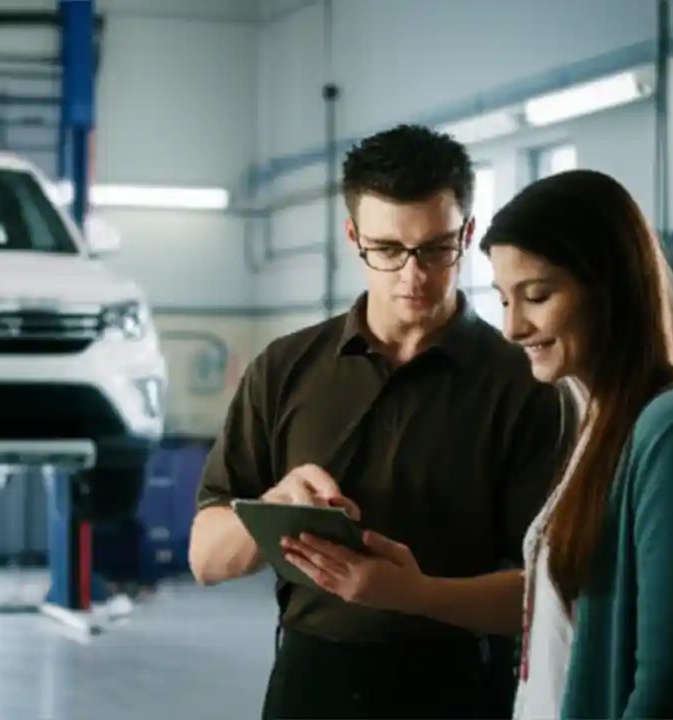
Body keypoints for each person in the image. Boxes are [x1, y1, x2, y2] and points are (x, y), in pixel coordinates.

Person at [282, 168, 673, 719]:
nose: (513, 328)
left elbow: (670, 696)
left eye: (536, 296)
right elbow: (560, 605)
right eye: (505, 300)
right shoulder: (601, 423)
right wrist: (411, 590)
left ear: (611, 287)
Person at [188, 124, 574, 719]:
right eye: (388, 251)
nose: (412, 276)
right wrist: (271, 508)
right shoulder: (285, 369)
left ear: (467, 234)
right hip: (309, 683)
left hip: (456, 686)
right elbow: (207, 559)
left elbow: (550, 593)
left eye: (437, 248)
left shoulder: (525, 386)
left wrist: (416, 596)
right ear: (353, 236)